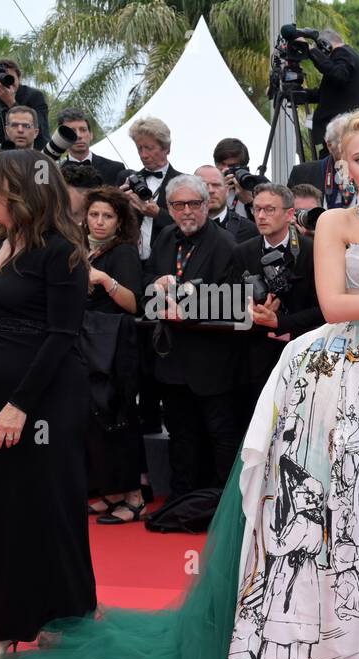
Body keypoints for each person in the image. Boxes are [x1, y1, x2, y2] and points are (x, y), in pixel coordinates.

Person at [0, 107, 359, 659]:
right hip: (341, 378)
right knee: (333, 526)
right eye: (357, 159)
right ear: (343, 167)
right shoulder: (332, 224)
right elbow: (336, 305)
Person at [0, 150, 94, 659]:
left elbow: (60, 336)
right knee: (5, 508)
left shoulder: (63, 252)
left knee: (47, 505)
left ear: (20, 193)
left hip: (45, 401)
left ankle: (61, 616)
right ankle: (14, 617)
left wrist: (19, 405)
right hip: (3, 396)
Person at [145, 173, 243, 498]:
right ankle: (181, 499)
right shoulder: (163, 239)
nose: (186, 210)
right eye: (178, 204)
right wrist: (157, 289)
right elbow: (148, 286)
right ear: (169, 208)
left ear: (206, 204)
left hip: (212, 362)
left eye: (194, 203)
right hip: (172, 361)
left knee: (220, 435)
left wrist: (188, 309)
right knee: (180, 433)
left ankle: (221, 507)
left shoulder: (226, 243)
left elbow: (235, 301)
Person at [230, 182, 325, 421]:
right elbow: (232, 299)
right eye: (256, 209)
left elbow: (324, 309)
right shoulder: (242, 252)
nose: (261, 216)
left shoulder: (313, 251)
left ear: (290, 214)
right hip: (254, 359)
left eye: (270, 209)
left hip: (303, 354)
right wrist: (249, 311)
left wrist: (280, 322)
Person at [80, 186, 147, 525]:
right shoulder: (78, 249)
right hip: (86, 345)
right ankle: (110, 492)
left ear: (120, 221)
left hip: (117, 346)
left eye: (107, 216)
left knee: (118, 416)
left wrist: (106, 281)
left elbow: (136, 303)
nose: (99, 222)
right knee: (93, 419)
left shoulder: (123, 253)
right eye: (94, 215)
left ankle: (133, 497)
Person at [307, 29, 359, 159]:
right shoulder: (348, 56)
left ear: (325, 45)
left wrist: (312, 52)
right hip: (344, 132)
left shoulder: (343, 53)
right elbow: (324, 95)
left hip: (341, 133)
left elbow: (338, 74)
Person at [122, 116, 178, 262]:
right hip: (130, 263)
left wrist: (158, 214)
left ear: (167, 148)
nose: (143, 155)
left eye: (149, 148)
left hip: (167, 262)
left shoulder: (183, 182)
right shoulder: (128, 180)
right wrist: (118, 201)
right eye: (139, 148)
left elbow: (190, 223)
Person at [57, 107, 126, 186]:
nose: (79, 135)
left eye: (83, 130)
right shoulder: (56, 175)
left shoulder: (115, 169)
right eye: (72, 131)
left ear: (91, 135)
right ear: (62, 137)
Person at [0, 59, 49, 151]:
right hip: (6, 155)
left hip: (36, 153)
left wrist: (10, 102)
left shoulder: (34, 96)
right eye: (2, 79)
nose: (7, 84)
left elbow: (37, 127)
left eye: (10, 78)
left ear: (19, 78)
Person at [197, 165, 260, 244]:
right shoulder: (181, 228)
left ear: (227, 190)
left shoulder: (249, 230)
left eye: (216, 185)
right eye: (203, 186)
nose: (210, 190)